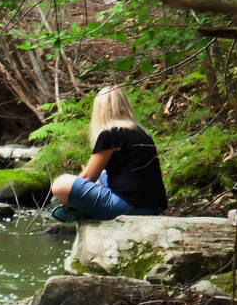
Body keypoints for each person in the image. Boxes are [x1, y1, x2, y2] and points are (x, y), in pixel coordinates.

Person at [50, 85, 167, 222]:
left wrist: (74, 196)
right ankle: (80, 209)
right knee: (103, 173)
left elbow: (88, 176)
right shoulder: (143, 134)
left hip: (125, 207)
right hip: (151, 209)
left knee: (60, 183)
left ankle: (78, 209)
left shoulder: (111, 134)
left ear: (99, 110)